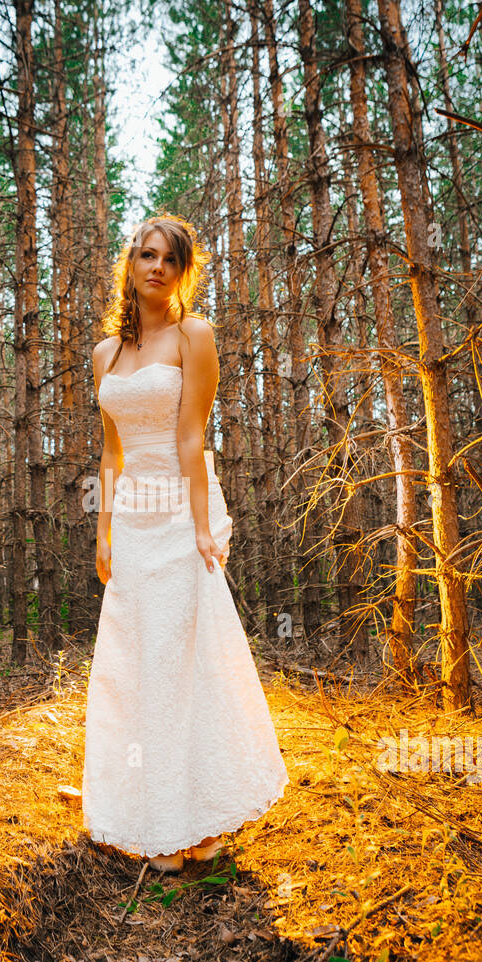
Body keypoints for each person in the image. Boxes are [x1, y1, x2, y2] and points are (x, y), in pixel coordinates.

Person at [81, 214, 288, 873]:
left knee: (179, 661)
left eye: (170, 259)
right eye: (145, 255)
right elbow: (112, 452)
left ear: (184, 271)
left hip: (176, 513)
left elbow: (193, 439)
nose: (156, 268)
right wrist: (103, 529)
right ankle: (140, 810)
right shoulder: (105, 355)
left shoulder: (195, 336)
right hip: (131, 522)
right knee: (134, 664)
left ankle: (196, 821)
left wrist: (203, 527)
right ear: (130, 263)